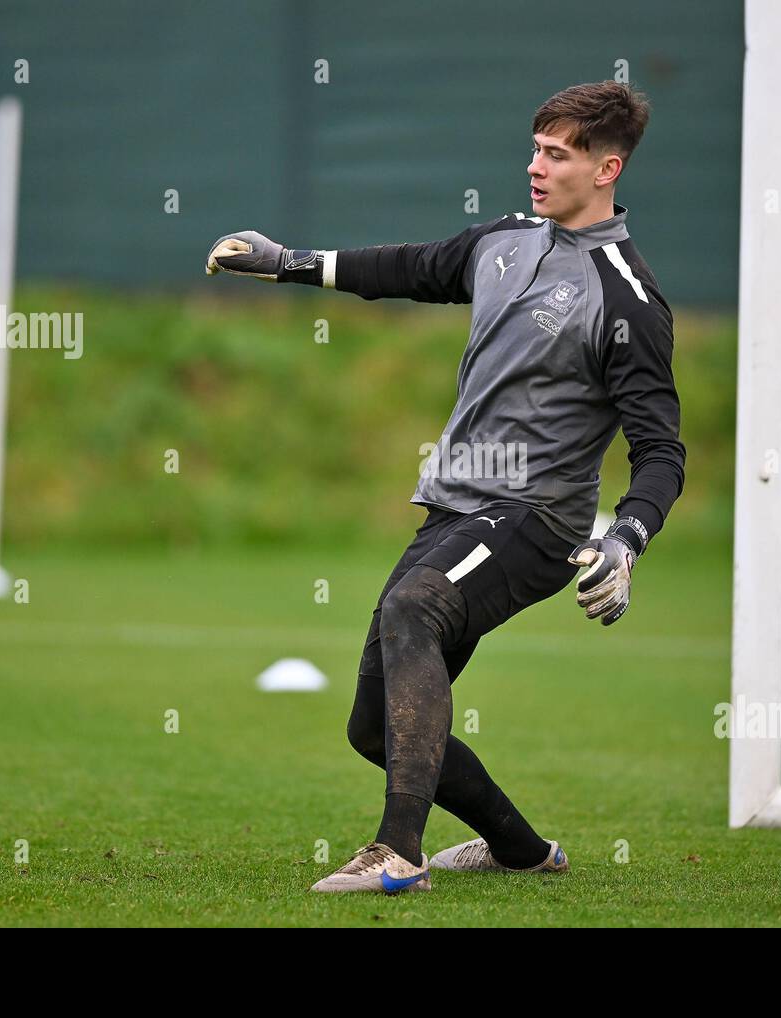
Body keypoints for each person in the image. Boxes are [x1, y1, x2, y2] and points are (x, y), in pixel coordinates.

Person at [204, 80, 685, 894]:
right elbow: (409, 268)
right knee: (372, 727)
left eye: (556, 154)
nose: (535, 166)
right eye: (535, 148)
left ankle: (398, 852)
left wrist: (625, 538)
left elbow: (662, 451)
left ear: (608, 168)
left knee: (410, 608)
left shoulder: (627, 301)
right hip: (457, 509)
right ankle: (522, 851)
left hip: (534, 521)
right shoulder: (505, 240)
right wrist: (287, 263)